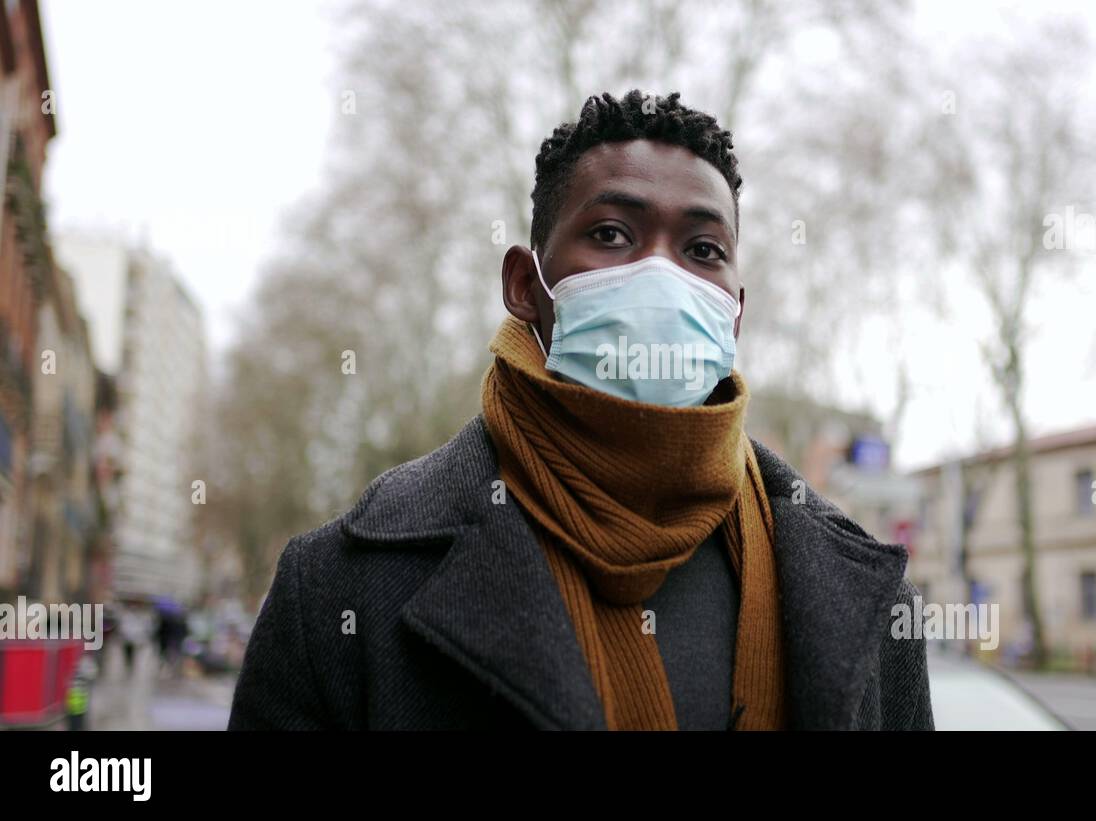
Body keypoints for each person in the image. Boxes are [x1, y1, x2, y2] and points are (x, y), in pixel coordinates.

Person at [228, 90, 933, 731]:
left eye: (703, 249)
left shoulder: (865, 595)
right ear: (524, 285)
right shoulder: (339, 586)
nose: (661, 274)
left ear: (735, 314)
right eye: (611, 235)